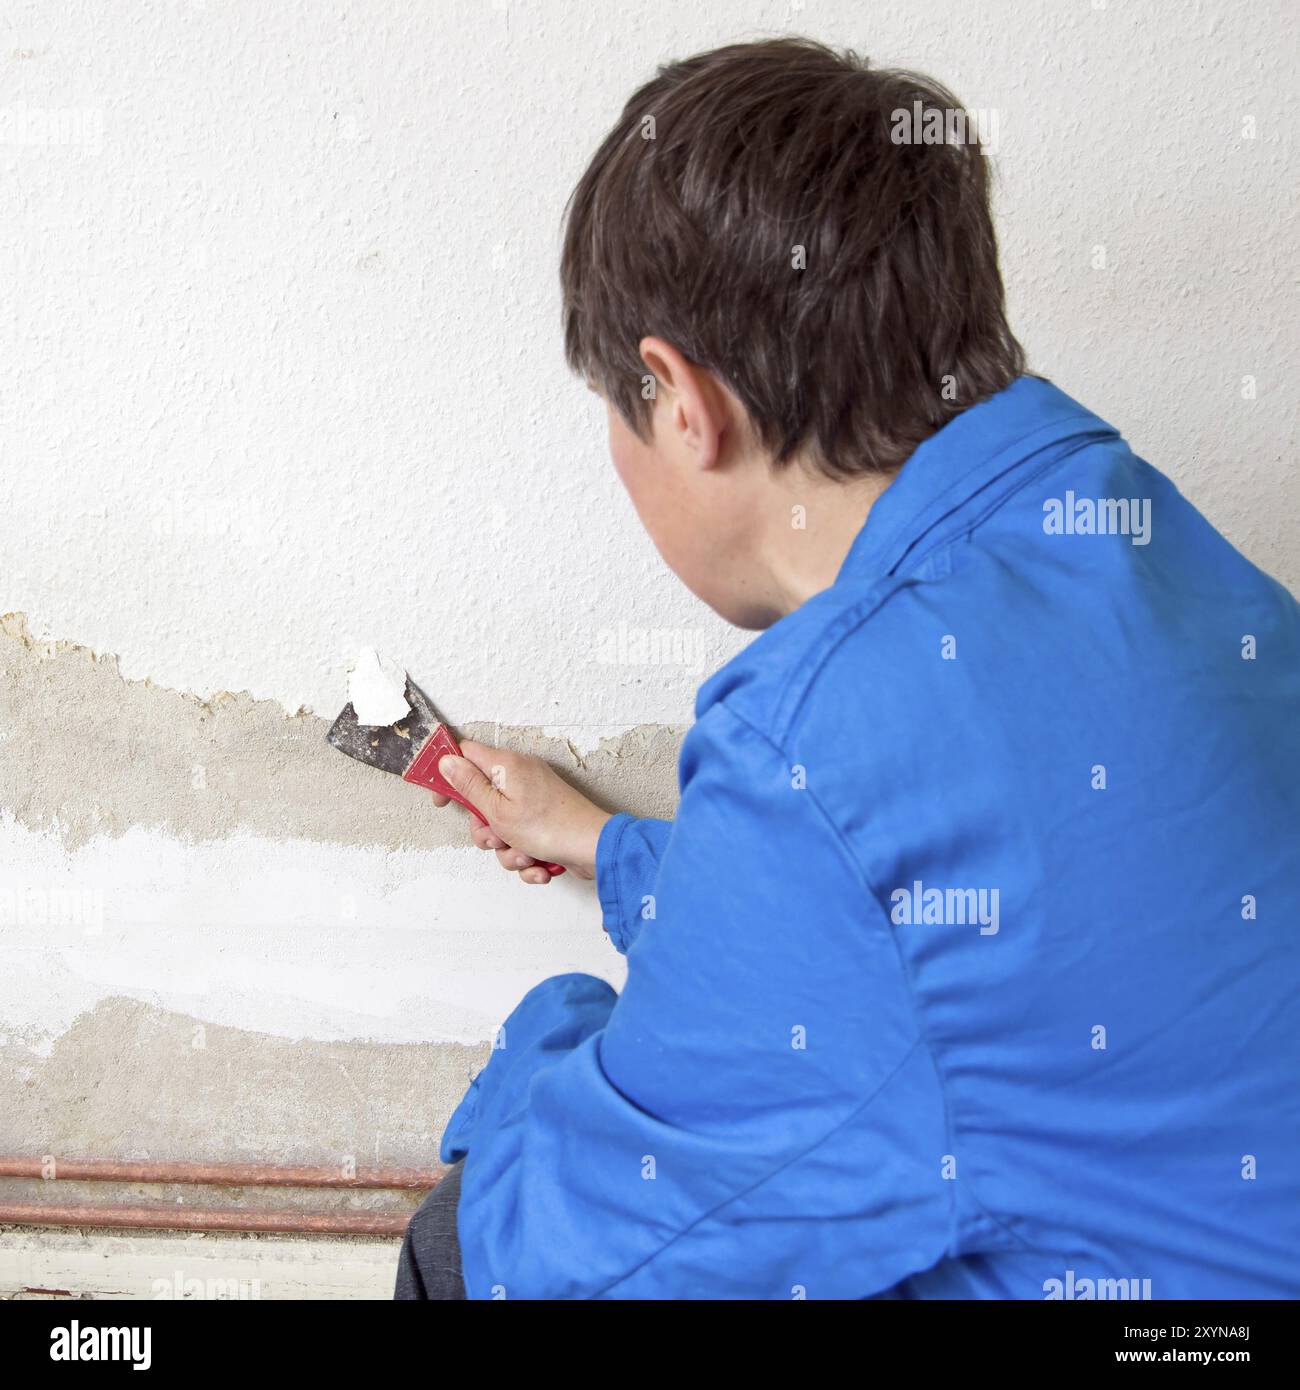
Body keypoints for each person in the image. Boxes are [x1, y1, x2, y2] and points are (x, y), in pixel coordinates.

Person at [395, 37, 1300, 1300]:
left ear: (676, 400)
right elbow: (959, 945)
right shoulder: (1140, 533)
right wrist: (612, 847)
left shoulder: (822, 735)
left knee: (447, 1256)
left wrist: (541, 1041)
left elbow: (551, 1259)